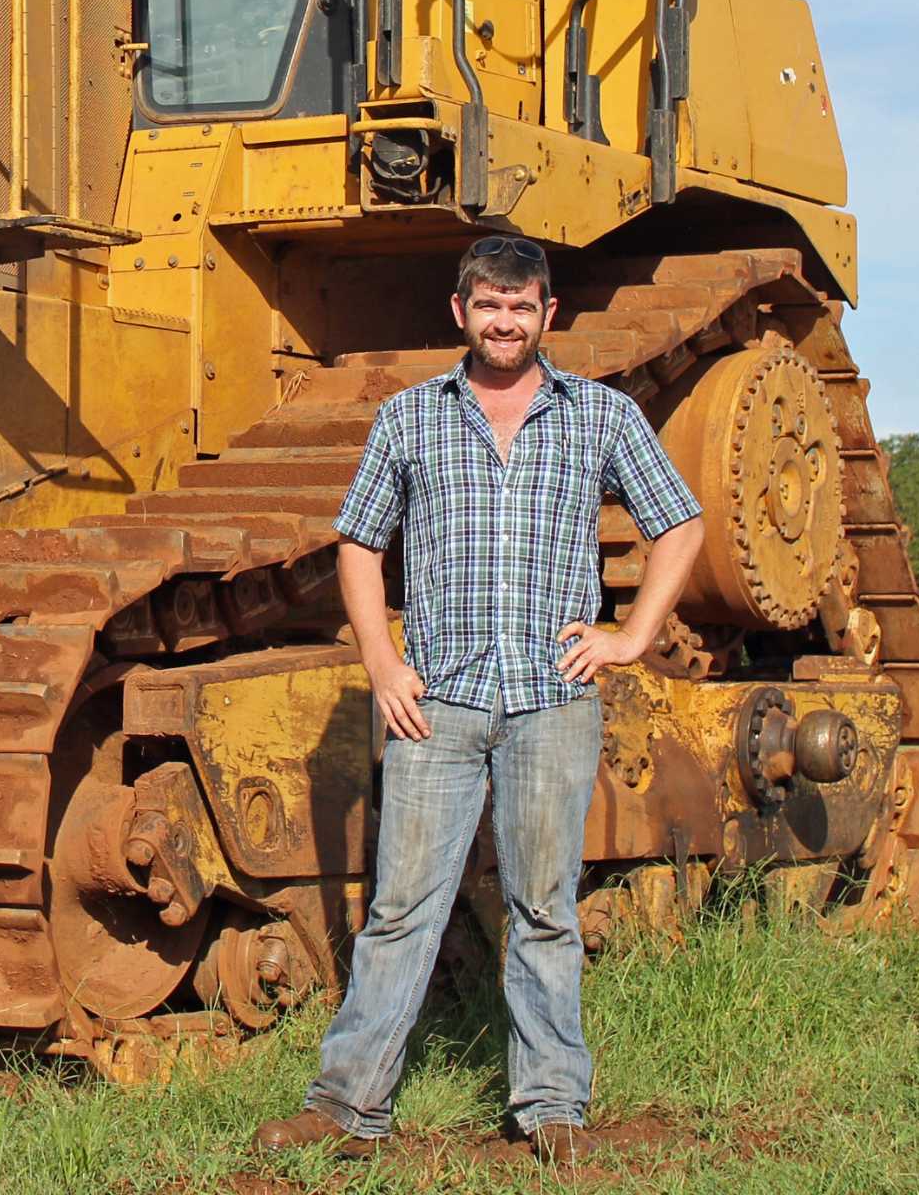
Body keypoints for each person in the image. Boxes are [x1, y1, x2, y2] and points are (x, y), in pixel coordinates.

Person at [253, 236, 705, 1166]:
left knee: (544, 906)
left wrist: (632, 636)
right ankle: (349, 1107)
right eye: (489, 306)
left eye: (523, 306)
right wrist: (382, 660)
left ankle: (550, 1108)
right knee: (401, 906)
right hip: (440, 701)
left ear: (548, 314)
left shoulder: (602, 417)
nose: (506, 322)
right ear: (460, 312)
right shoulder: (411, 418)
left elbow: (681, 521)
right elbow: (359, 544)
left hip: (552, 697)